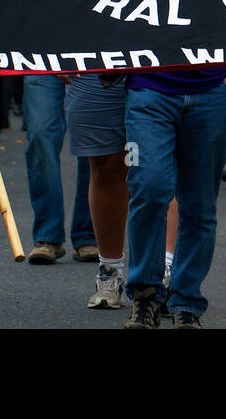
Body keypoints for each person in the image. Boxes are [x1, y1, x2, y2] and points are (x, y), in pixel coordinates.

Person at [122, 66, 226, 328]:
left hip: (214, 90)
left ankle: (186, 301)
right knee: (148, 189)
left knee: (200, 204)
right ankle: (145, 296)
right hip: (148, 87)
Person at [64, 73, 130, 310]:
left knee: (159, 170)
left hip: (163, 60)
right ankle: (110, 272)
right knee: (106, 167)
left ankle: (165, 273)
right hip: (94, 64)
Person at [22, 75, 95, 264]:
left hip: (90, 59)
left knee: (93, 144)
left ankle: (90, 233)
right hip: (43, 56)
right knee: (40, 134)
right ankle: (48, 234)